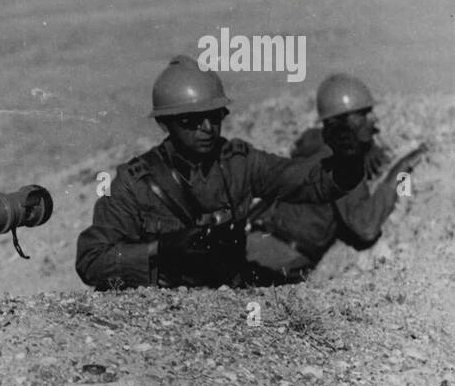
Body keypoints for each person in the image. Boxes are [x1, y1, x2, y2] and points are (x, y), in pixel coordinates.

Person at [75, 58, 368, 290]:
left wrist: (349, 161)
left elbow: (307, 182)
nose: (207, 128)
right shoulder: (134, 184)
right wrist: (161, 249)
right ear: (165, 124)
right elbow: (91, 261)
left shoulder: (239, 163)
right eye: (191, 120)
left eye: (214, 116)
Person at [246, 74, 427, 283]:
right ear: (344, 121)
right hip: (279, 256)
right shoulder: (340, 162)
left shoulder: (316, 144)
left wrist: (366, 147)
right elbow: (366, 227)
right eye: (364, 113)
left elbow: (311, 140)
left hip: (258, 242)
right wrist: (401, 172)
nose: (374, 120)